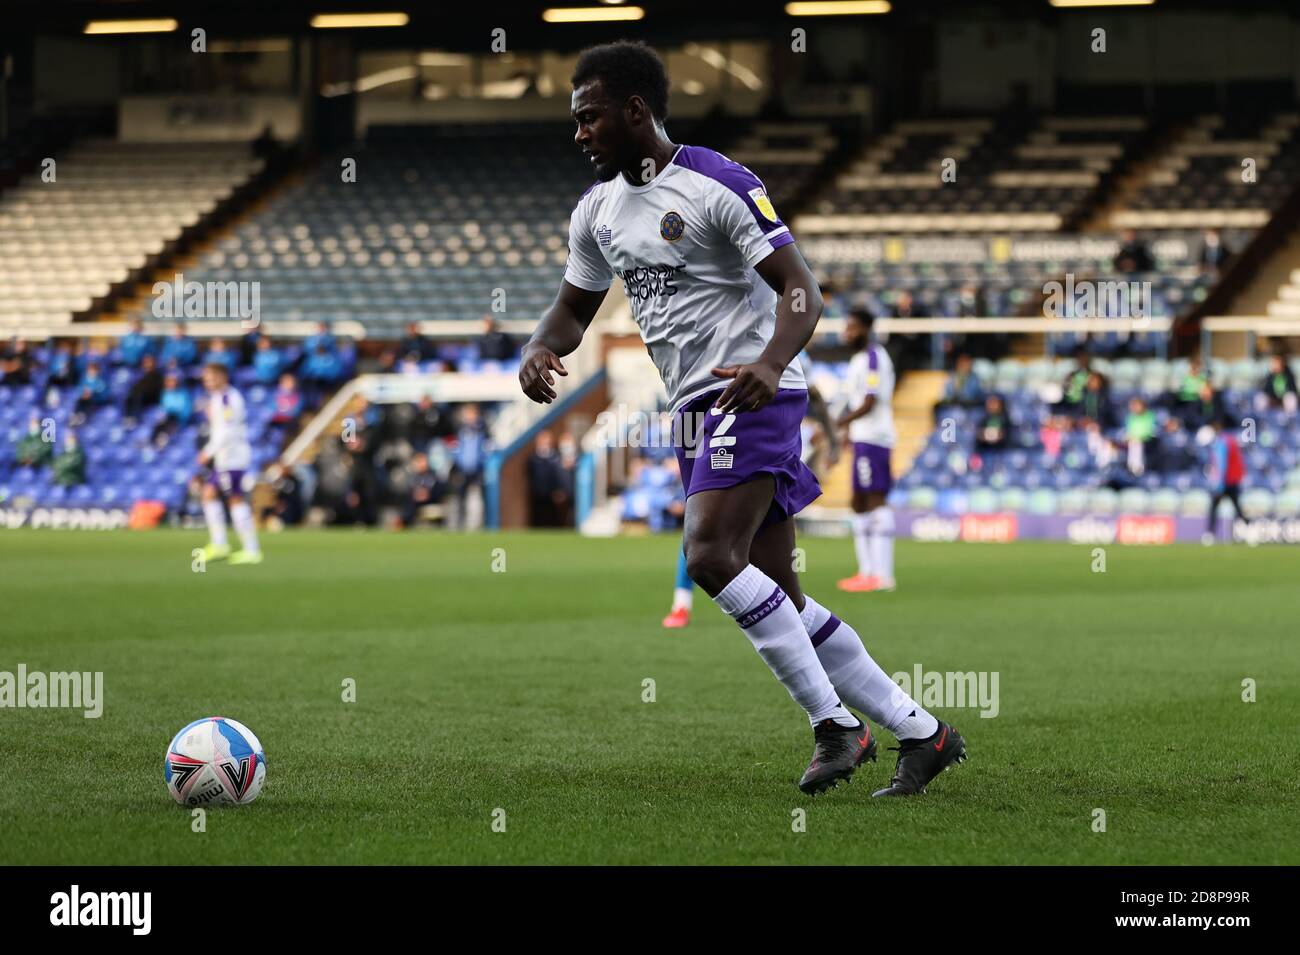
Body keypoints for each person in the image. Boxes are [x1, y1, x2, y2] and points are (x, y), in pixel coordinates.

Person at [519, 40, 965, 797]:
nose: (579, 133)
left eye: (590, 118)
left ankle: (836, 727)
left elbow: (801, 290)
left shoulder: (716, 182)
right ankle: (924, 733)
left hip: (753, 390)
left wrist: (769, 360)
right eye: (576, 121)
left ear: (635, 112)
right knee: (778, 591)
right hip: (690, 406)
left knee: (709, 555)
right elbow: (573, 308)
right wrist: (538, 345)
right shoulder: (595, 212)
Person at [835, 309, 898, 594]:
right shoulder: (858, 360)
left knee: (874, 498)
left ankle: (882, 575)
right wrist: (847, 430)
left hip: (876, 437)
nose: (847, 333)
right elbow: (854, 400)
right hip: (863, 437)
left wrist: (838, 424)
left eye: (852, 328)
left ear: (866, 329)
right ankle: (867, 571)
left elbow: (870, 402)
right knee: (858, 501)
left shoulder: (874, 357)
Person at [197, 362, 262, 565]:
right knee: (209, 494)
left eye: (210, 377)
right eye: (205, 378)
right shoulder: (217, 399)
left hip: (232, 457)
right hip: (225, 458)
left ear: (222, 377)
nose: (206, 382)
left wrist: (208, 451)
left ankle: (251, 550)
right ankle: (219, 544)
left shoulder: (227, 398)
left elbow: (228, 430)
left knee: (235, 499)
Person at [1204, 416, 1247, 544]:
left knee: (1214, 508)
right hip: (1233, 480)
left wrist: (1219, 484)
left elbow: (1222, 464)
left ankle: (1210, 534)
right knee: (1237, 507)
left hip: (1225, 481)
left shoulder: (1222, 442)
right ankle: (1248, 530)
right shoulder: (1230, 440)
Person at [124, 353, 163, 421]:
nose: (148, 364)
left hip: (152, 403)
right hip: (137, 403)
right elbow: (134, 390)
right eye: (145, 362)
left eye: (150, 362)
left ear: (155, 363)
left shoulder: (159, 377)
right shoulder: (138, 375)